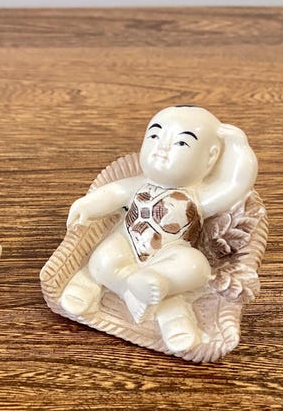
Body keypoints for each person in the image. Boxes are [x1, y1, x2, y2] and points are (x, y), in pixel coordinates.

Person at [61, 106, 258, 352]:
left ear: (210, 158)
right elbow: (113, 193)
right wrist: (87, 205)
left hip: (170, 253)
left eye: (181, 143)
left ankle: (153, 284)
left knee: (196, 266)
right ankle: (140, 294)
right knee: (103, 259)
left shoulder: (201, 196)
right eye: (154, 136)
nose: (162, 148)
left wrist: (238, 146)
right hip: (128, 242)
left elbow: (235, 183)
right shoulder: (139, 184)